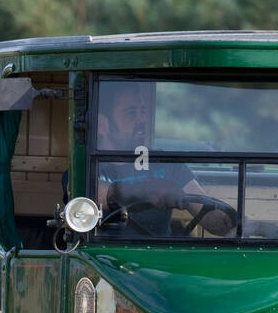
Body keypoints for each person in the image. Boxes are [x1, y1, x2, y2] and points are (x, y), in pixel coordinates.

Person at [95, 82, 234, 237]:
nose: (141, 120)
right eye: (131, 113)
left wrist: (240, 225)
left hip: (159, 255)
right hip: (107, 257)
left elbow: (208, 213)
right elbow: (90, 192)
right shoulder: (89, 165)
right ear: (102, 123)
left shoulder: (164, 163)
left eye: (143, 112)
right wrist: (144, 191)